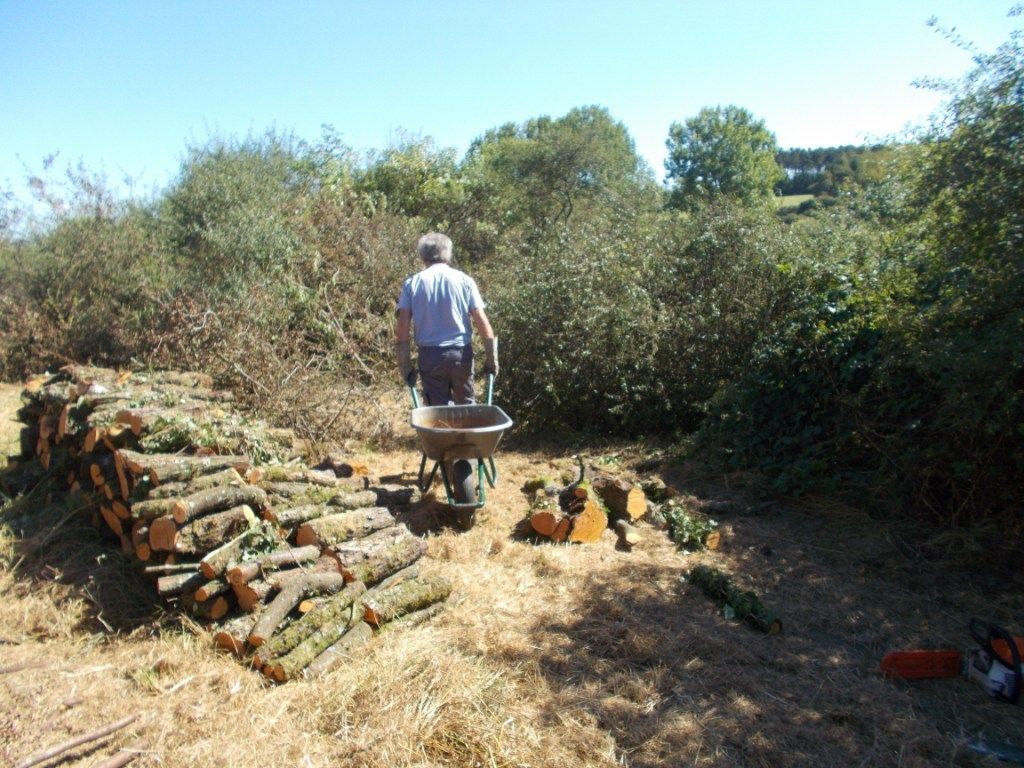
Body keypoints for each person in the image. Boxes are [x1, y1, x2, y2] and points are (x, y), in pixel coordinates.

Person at [394, 233, 498, 405]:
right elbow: (481, 320)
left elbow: (403, 323)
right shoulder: (465, 281)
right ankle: (467, 431)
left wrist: (404, 364)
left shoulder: (412, 284)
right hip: (461, 354)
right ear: (448, 254)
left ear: (422, 256)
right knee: (466, 407)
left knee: (438, 412)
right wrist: (491, 358)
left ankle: (443, 432)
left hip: (430, 357)